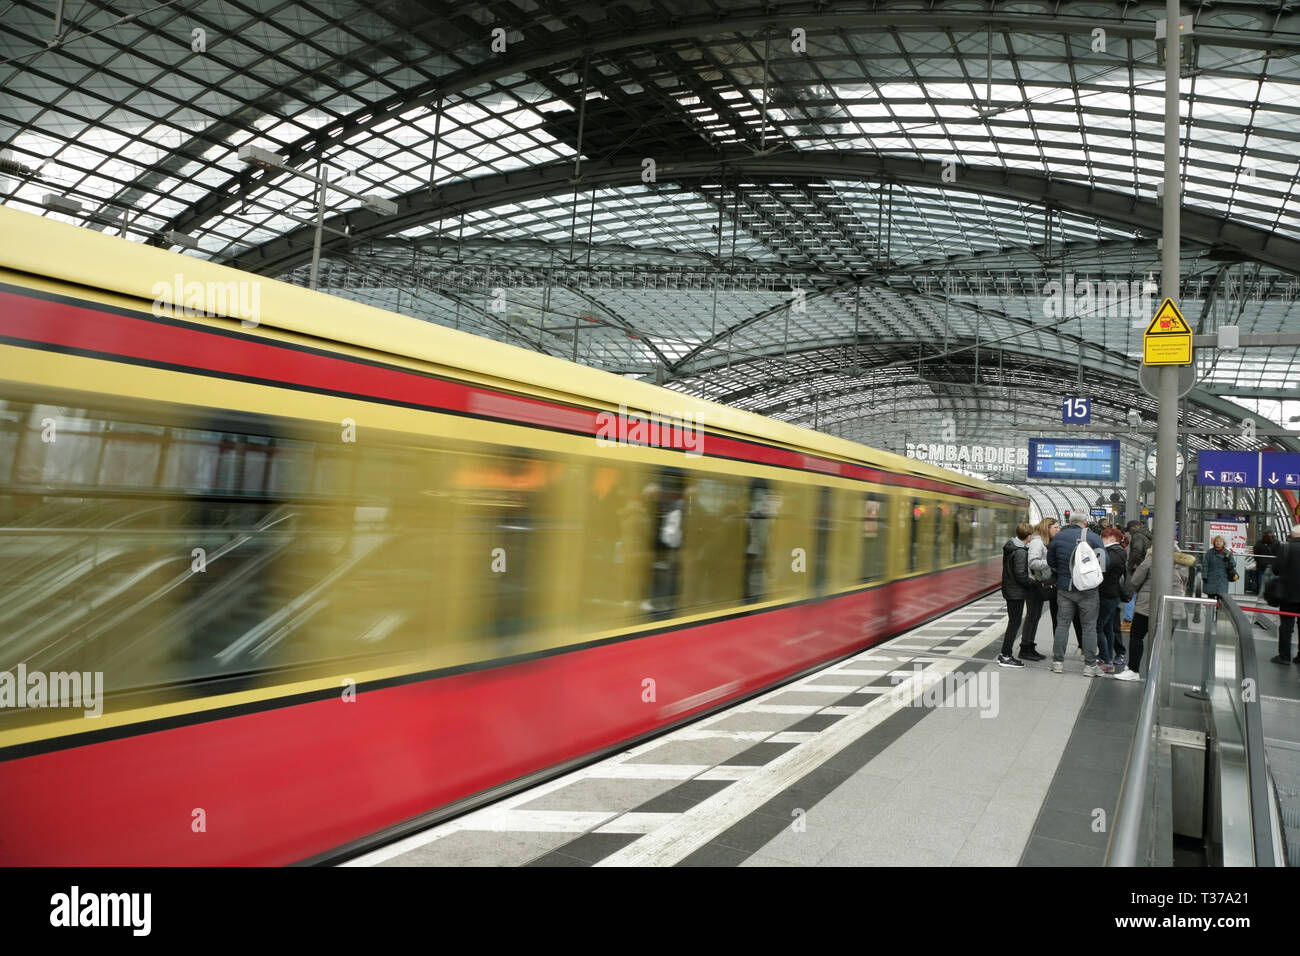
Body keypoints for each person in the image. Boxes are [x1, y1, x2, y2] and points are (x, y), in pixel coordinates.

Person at [1116, 542, 1193, 681]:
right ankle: (1160, 674)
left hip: (1148, 605)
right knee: (1164, 640)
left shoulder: (1153, 558)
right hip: (1174, 607)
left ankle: (1133, 670)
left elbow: (1136, 579)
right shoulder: (1183, 564)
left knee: (1136, 636)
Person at [1046, 514, 1106, 676]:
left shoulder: (1059, 538)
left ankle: (1057, 662)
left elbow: (1050, 562)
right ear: (1085, 522)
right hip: (1088, 591)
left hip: (1065, 589)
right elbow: (1103, 562)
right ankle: (1089, 665)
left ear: (1070, 522)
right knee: (1089, 627)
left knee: (1062, 625)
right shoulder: (1093, 537)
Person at [998, 522, 1034, 667]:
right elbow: (1020, 575)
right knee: (1014, 623)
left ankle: (1004, 654)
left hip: (1010, 589)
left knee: (1013, 622)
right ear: (1029, 536)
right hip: (1016, 592)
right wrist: (1034, 583)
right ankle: (1006, 656)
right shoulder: (1020, 552)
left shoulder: (1011, 546)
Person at [1021, 517, 1055, 662]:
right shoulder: (1037, 543)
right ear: (1047, 528)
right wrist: (1050, 562)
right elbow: (1033, 562)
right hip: (1034, 586)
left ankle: (1030, 646)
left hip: (1038, 584)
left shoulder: (1042, 542)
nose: (1058, 530)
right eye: (1055, 527)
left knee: (1035, 616)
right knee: (1032, 617)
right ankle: (1025, 648)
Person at [1097, 528, 1130, 674]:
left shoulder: (1112, 553)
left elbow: (1104, 572)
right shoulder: (1119, 552)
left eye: (1103, 537)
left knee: (1097, 628)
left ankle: (1106, 659)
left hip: (1107, 594)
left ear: (1111, 538)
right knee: (1108, 628)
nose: (1101, 539)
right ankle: (1108, 656)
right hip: (1113, 594)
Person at [1269, 524, 1300, 665]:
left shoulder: (1285, 548)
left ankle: (1284, 656)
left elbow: (1276, 569)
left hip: (1287, 594)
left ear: (1293, 534)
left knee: (1286, 626)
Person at [1199, 535, 1237, 600]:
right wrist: (1204, 576)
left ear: (1223, 543)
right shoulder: (1210, 552)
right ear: (1214, 542)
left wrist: (1228, 561)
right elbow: (1205, 565)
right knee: (1210, 599)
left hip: (1222, 580)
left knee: (1221, 600)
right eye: (1217, 541)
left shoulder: (1228, 553)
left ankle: (1218, 610)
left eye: (1220, 541)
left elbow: (1233, 565)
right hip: (1211, 579)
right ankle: (1210, 610)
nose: (1218, 543)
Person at [1254, 530, 1282, 596]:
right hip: (1273, 564)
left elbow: (1255, 553)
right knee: (1272, 579)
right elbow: (1279, 553)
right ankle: (1271, 594)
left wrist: (1258, 561)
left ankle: (1261, 593)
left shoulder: (1259, 543)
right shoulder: (1276, 543)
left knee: (1261, 578)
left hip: (1262, 564)